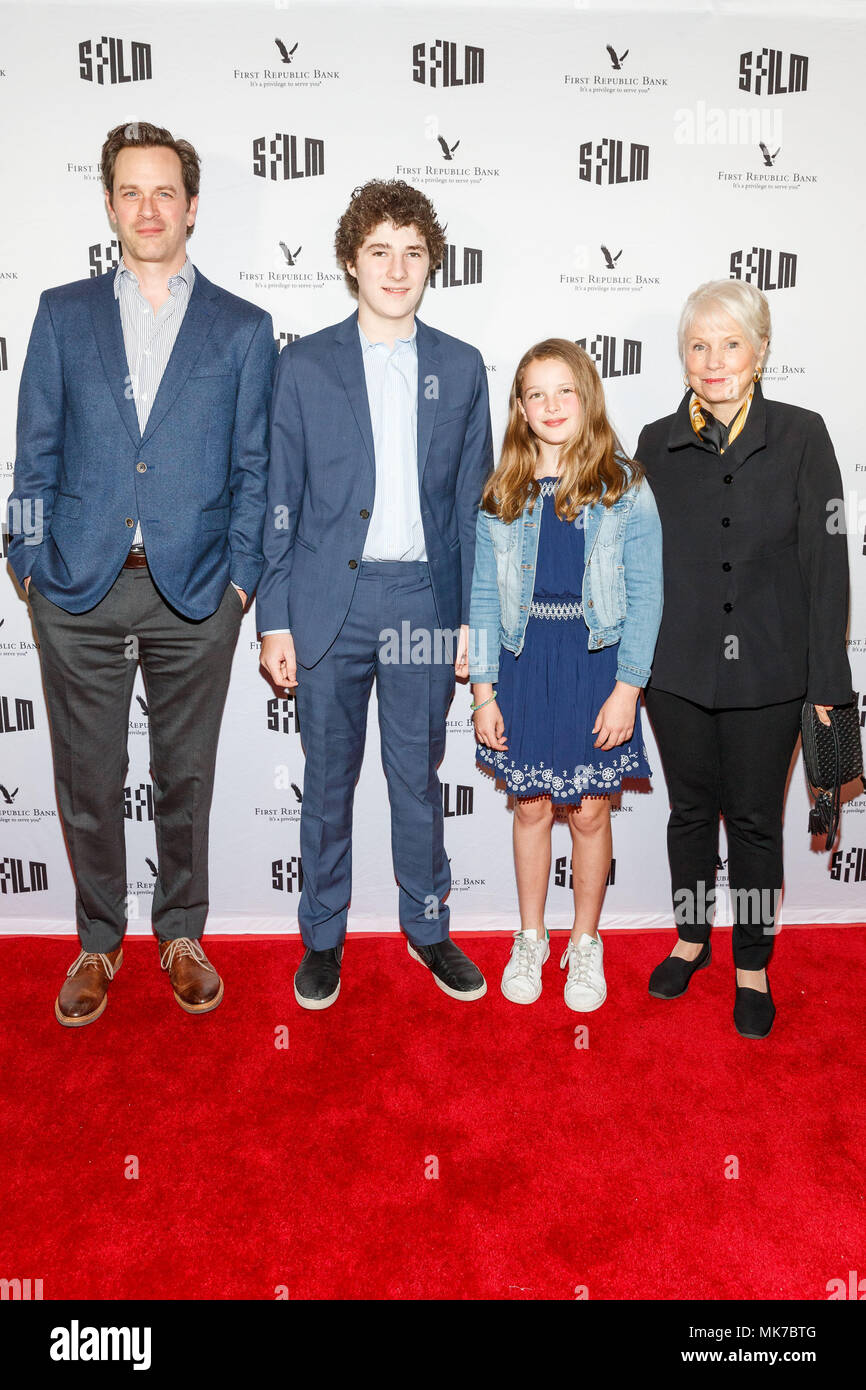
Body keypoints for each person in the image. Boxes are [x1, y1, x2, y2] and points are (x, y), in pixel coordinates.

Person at [6, 122, 276, 1026]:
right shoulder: (60, 313)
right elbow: (32, 458)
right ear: (111, 205)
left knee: (185, 774)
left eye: (166, 192)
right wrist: (28, 567)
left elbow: (255, 472)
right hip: (76, 585)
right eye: (131, 191)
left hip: (197, 591)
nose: (149, 207)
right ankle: (96, 942)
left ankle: (181, 933)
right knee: (86, 776)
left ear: (191, 207)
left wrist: (240, 584)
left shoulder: (243, 328)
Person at [257, 179, 493, 1010]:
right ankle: (323, 937)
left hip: (423, 603)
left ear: (432, 264)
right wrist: (274, 618)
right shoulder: (305, 363)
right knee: (326, 780)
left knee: (416, 777)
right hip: (328, 605)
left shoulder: (462, 368)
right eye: (380, 252)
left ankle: (428, 930)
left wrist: (474, 620)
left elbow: (474, 511)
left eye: (414, 253)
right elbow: (278, 498)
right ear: (352, 263)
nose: (397, 269)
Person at [636, 278, 853, 1039]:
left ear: (761, 351)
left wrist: (831, 684)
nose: (714, 359)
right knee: (690, 814)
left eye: (731, 343)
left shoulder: (802, 435)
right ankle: (692, 937)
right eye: (699, 345)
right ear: (683, 356)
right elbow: (635, 566)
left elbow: (828, 567)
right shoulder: (654, 444)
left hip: (768, 674)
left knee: (756, 823)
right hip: (678, 675)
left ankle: (752, 962)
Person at [469, 340, 663, 1010]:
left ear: (587, 397)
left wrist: (627, 691)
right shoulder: (502, 491)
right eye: (535, 394)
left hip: (595, 667)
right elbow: (486, 599)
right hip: (524, 666)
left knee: (586, 812)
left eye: (564, 391)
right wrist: (484, 693)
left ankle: (585, 943)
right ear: (520, 408)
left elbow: (648, 595)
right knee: (528, 807)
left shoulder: (625, 486)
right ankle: (531, 935)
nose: (551, 406)